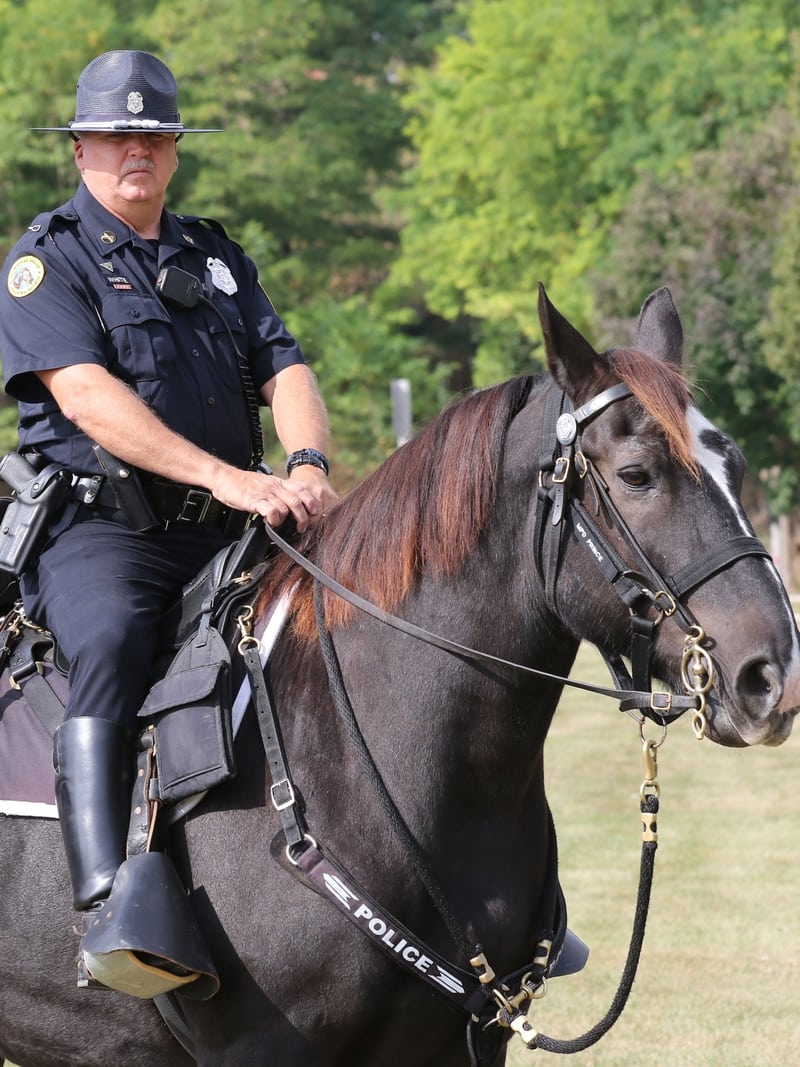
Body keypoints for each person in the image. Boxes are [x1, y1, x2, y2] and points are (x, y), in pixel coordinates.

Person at [0, 50, 338, 994]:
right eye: (116, 136)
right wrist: (231, 478)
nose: (136, 150)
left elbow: (286, 368)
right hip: (108, 532)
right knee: (110, 638)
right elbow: (88, 398)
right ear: (80, 150)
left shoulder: (216, 258)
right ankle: (107, 905)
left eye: (152, 136)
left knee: (366, 614)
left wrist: (308, 462)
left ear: (176, 151)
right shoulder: (45, 263)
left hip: (233, 527)